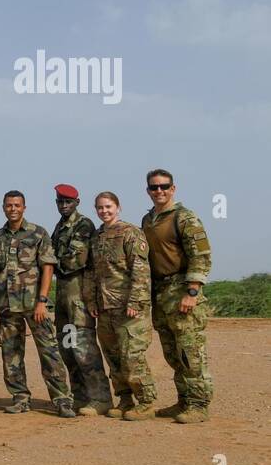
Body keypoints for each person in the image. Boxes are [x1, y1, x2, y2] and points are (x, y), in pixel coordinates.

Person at [0, 190, 74, 417]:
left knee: (49, 352)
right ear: (3, 207)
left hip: (35, 305)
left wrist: (42, 301)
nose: (13, 209)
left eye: (17, 205)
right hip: (6, 307)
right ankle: (20, 398)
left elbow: (47, 267)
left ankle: (62, 399)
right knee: (10, 355)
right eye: (9, 205)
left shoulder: (38, 234)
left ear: (24, 207)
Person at [141, 169, 214, 424]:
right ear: (148, 191)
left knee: (190, 351)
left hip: (181, 289)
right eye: (154, 187)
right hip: (160, 294)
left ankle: (199, 404)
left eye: (163, 186)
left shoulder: (185, 217)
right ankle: (184, 400)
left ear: (173, 189)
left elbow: (201, 256)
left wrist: (192, 291)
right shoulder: (148, 220)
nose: (159, 191)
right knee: (172, 352)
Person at [85, 191, 157, 420]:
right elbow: (91, 273)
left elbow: (140, 270)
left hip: (129, 308)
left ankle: (146, 402)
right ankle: (125, 399)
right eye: (100, 208)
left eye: (108, 207)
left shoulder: (131, 233)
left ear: (118, 207)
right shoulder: (97, 238)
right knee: (114, 357)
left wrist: (136, 301)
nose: (104, 211)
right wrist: (92, 301)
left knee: (132, 356)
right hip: (106, 308)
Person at [51, 184, 112, 416]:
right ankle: (80, 396)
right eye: (60, 202)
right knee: (67, 348)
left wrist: (47, 261)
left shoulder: (83, 224)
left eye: (68, 202)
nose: (64, 205)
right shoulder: (60, 226)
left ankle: (100, 398)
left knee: (84, 348)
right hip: (63, 294)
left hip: (79, 293)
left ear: (77, 202)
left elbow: (73, 261)